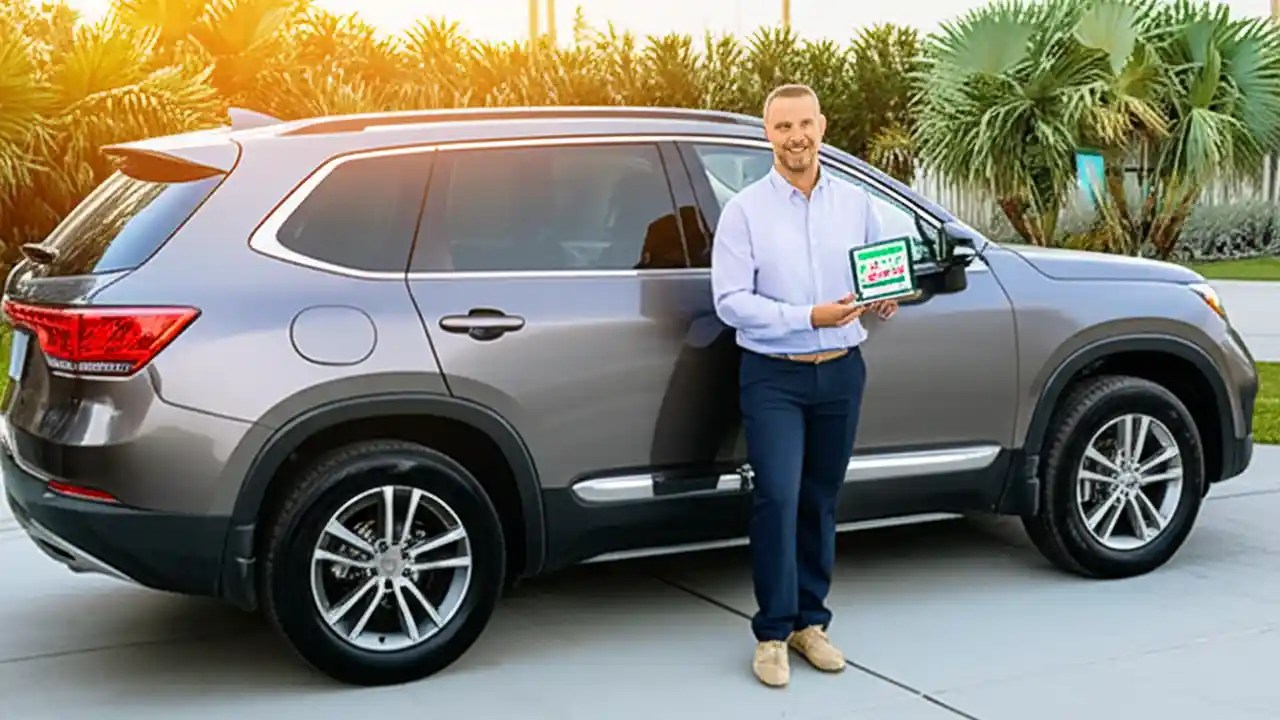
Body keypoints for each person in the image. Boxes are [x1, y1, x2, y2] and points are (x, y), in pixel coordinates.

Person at [710, 83, 898, 688]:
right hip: (775, 376)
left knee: (820, 500)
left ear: (822, 125)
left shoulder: (855, 203)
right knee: (778, 498)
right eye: (782, 127)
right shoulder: (744, 211)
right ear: (768, 135)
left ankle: (810, 623)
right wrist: (805, 318)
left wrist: (885, 295)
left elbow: (877, 270)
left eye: (804, 124)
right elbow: (730, 302)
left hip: (842, 370)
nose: (796, 137)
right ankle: (771, 632)